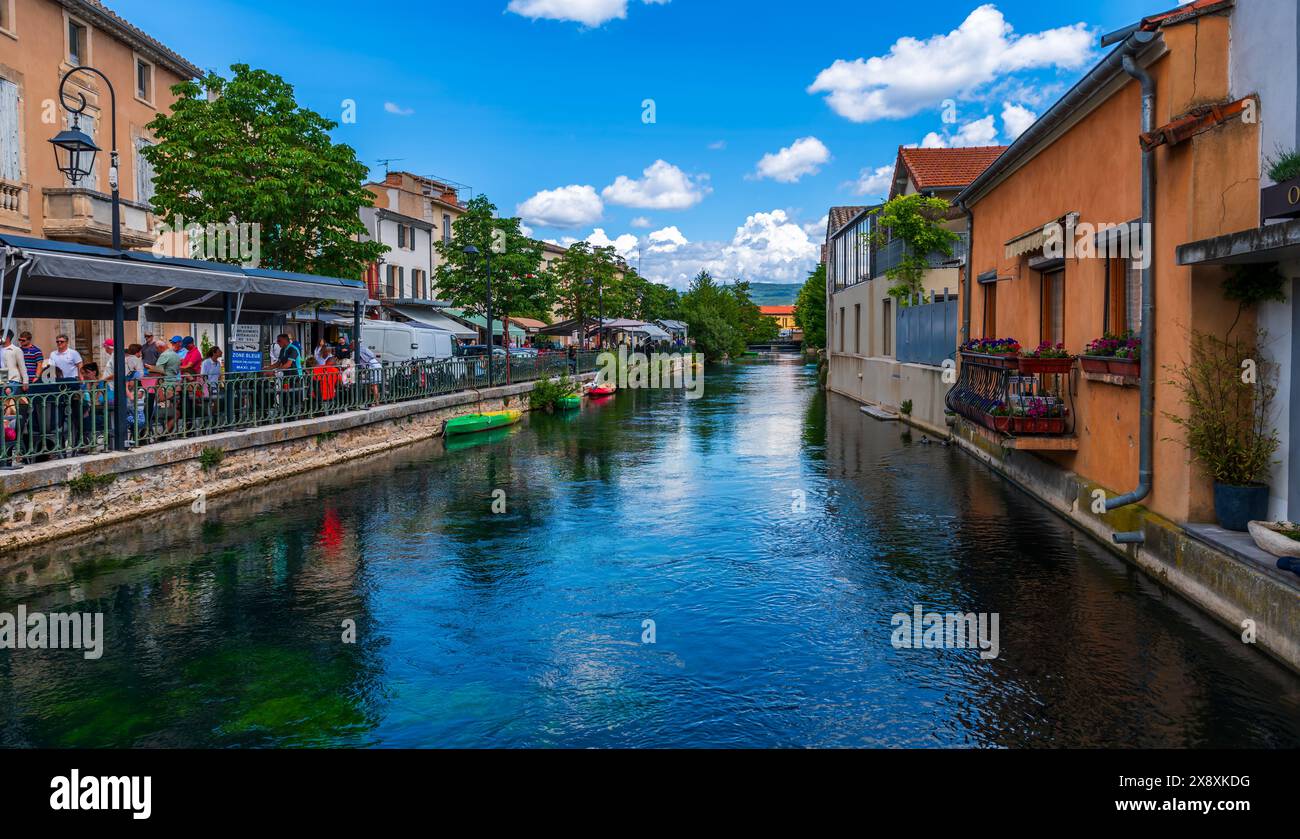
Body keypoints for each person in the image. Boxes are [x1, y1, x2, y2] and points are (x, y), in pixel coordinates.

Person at [1, 330, 28, 395]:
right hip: (2, 378)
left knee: (8, 400)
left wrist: (25, 381)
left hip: (12, 379)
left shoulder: (16, 350)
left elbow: (22, 367)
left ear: (7, 338)